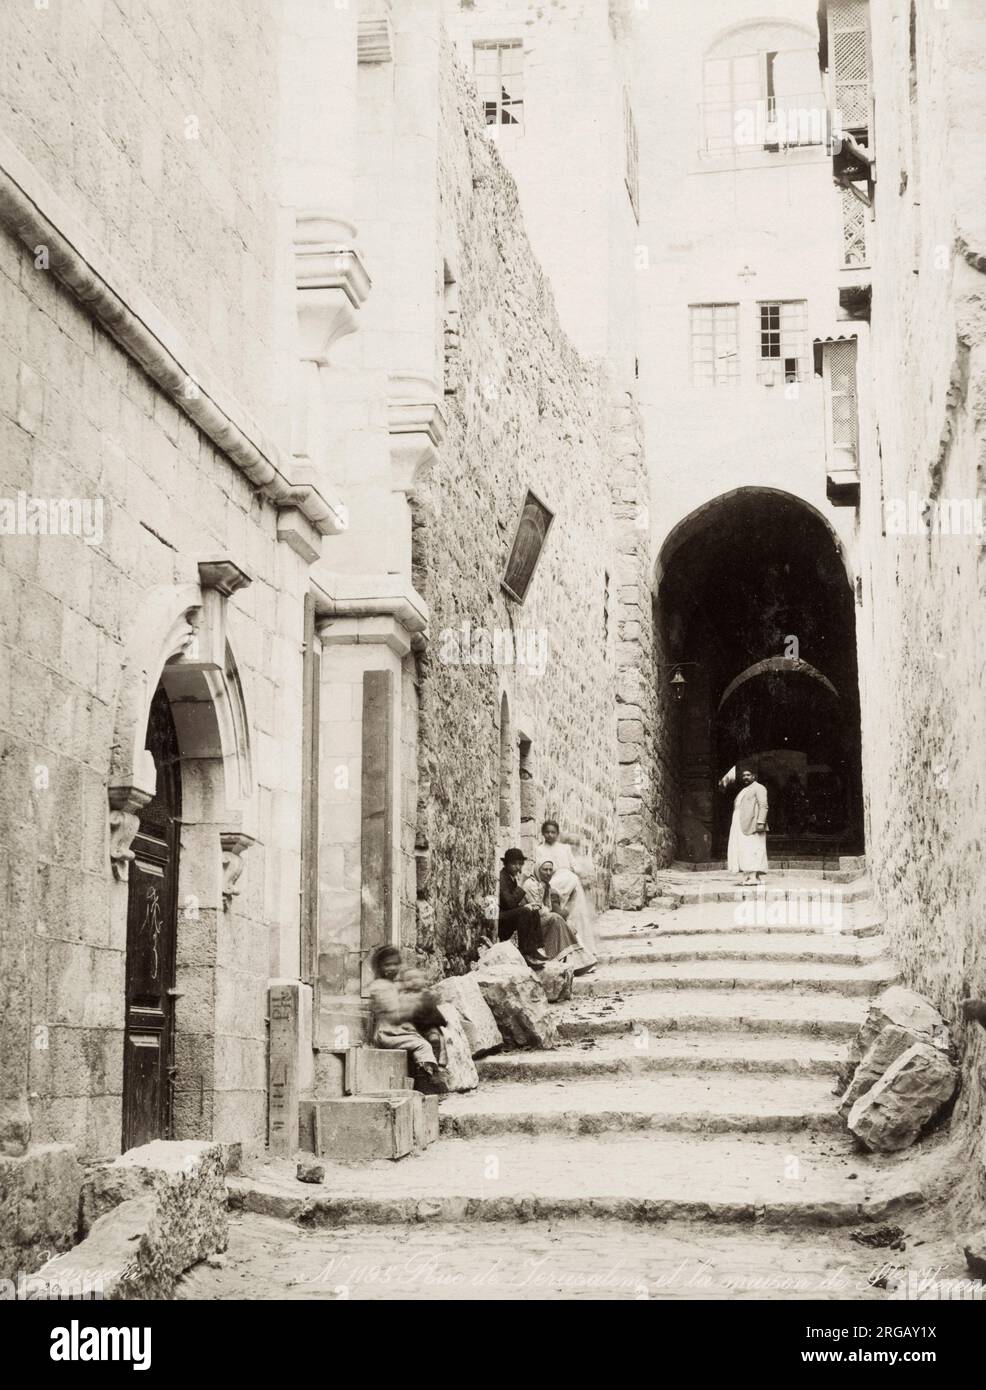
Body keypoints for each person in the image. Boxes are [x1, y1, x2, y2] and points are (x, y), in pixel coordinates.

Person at [368, 945, 448, 1094]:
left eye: (395, 964)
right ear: (379, 967)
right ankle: (424, 1085)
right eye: (387, 965)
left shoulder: (393, 985)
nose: (391, 968)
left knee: (433, 1036)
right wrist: (415, 1003)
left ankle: (433, 1073)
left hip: (398, 1031)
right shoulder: (380, 987)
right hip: (389, 1032)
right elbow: (395, 1015)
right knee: (422, 1046)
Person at [533, 818, 598, 955]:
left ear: (557, 834)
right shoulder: (539, 849)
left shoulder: (565, 848)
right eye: (547, 832)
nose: (550, 835)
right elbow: (540, 869)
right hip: (553, 882)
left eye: (553, 832)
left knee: (577, 914)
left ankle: (584, 949)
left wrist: (577, 873)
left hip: (570, 883)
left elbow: (574, 865)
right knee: (559, 912)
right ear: (543, 833)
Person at [524, 861, 596, 974]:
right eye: (545, 870)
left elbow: (548, 906)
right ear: (538, 870)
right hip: (530, 922)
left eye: (550, 870)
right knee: (557, 919)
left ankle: (578, 962)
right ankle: (565, 960)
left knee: (564, 924)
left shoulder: (546, 885)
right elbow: (538, 910)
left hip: (542, 919)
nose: (548, 873)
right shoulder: (531, 884)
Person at [498, 848, 548, 967]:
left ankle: (534, 949)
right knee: (526, 911)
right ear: (506, 864)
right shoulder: (502, 877)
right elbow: (509, 903)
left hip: (508, 914)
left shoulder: (511, 877)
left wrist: (527, 905)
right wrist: (521, 885)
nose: (518, 867)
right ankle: (525, 953)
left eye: (520, 864)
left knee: (532, 909)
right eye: (514, 864)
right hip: (501, 919)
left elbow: (514, 903)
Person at [721, 764, 769, 885]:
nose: (745, 777)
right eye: (743, 775)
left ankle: (753, 877)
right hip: (739, 823)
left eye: (748, 775)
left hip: (752, 823)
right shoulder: (744, 790)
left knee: (753, 848)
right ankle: (748, 876)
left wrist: (760, 822)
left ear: (754, 776)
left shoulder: (759, 788)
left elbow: (763, 806)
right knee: (743, 848)